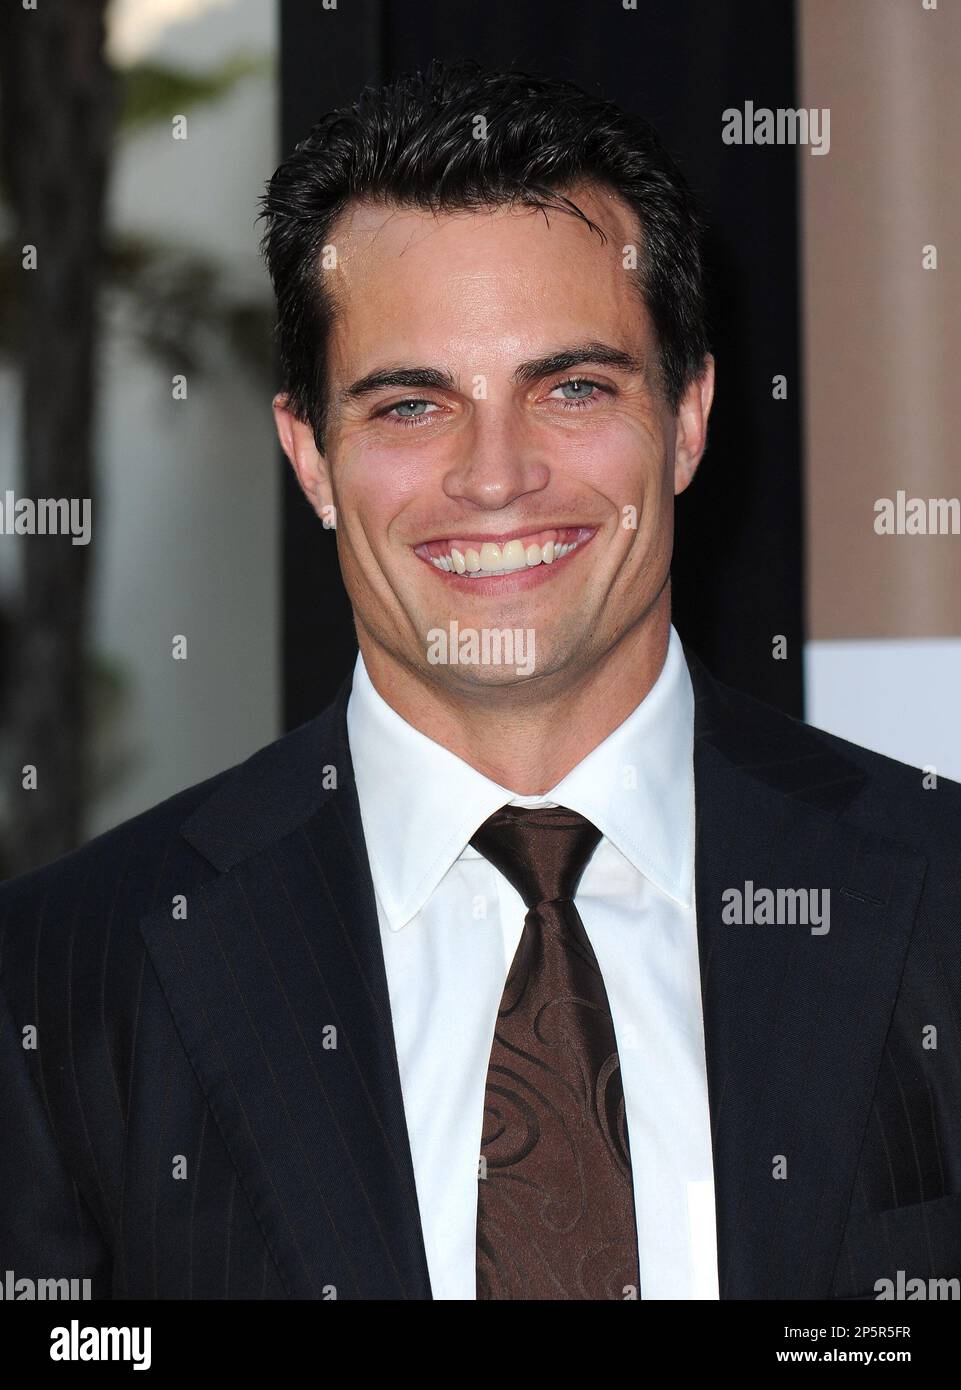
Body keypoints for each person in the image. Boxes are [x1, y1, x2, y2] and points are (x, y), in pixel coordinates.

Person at [1, 59, 959, 1302]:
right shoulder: (65, 976)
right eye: (410, 405)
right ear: (311, 456)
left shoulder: (935, 896)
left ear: (688, 417)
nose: (496, 476)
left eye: (570, 388)